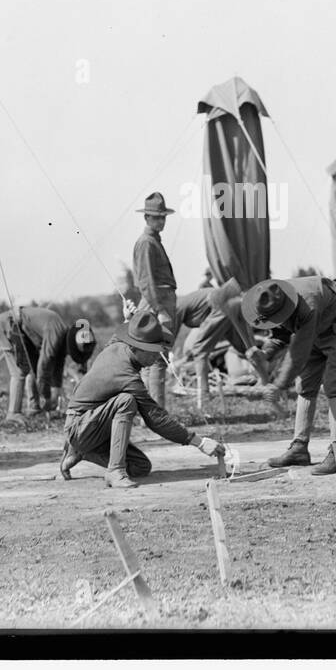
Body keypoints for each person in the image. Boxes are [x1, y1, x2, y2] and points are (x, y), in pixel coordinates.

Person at [59, 310, 225, 488]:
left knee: (140, 467)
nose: (156, 358)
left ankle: (81, 452)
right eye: (152, 351)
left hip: (94, 425)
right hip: (80, 427)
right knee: (126, 401)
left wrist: (130, 318)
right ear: (135, 347)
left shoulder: (116, 345)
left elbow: (120, 334)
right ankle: (114, 471)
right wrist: (199, 442)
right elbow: (156, 418)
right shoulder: (127, 375)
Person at [243, 276, 336, 475]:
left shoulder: (308, 303)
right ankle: (299, 448)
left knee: (333, 386)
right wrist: (265, 353)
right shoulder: (274, 300)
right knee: (305, 388)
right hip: (314, 335)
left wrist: (278, 384)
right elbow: (280, 335)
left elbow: (297, 353)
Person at [173, 278, 271, 412]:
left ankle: (204, 400)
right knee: (247, 349)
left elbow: (169, 338)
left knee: (199, 351)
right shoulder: (184, 302)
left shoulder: (175, 307)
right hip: (229, 302)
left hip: (221, 303)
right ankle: (268, 386)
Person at [0, 307, 96, 423]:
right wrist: (45, 396)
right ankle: (13, 413)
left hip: (23, 333)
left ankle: (34, 408)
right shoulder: (56, 333)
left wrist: (55, 393)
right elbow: (44, 366)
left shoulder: (61, 339)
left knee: (32, 368)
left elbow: (58, 365)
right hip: (9, 325)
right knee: (20, 371)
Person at [132, 191, 179, 408]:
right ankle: (156, 412)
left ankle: (153, 411)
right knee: (157, 358)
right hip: (156, 301)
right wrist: (159, 309)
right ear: (146, 218)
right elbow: (145, 281)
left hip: (163, 299)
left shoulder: (153, 241)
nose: (161, 221)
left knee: (157, 358)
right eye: (156, 217)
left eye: (163, 217)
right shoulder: (146, 243)